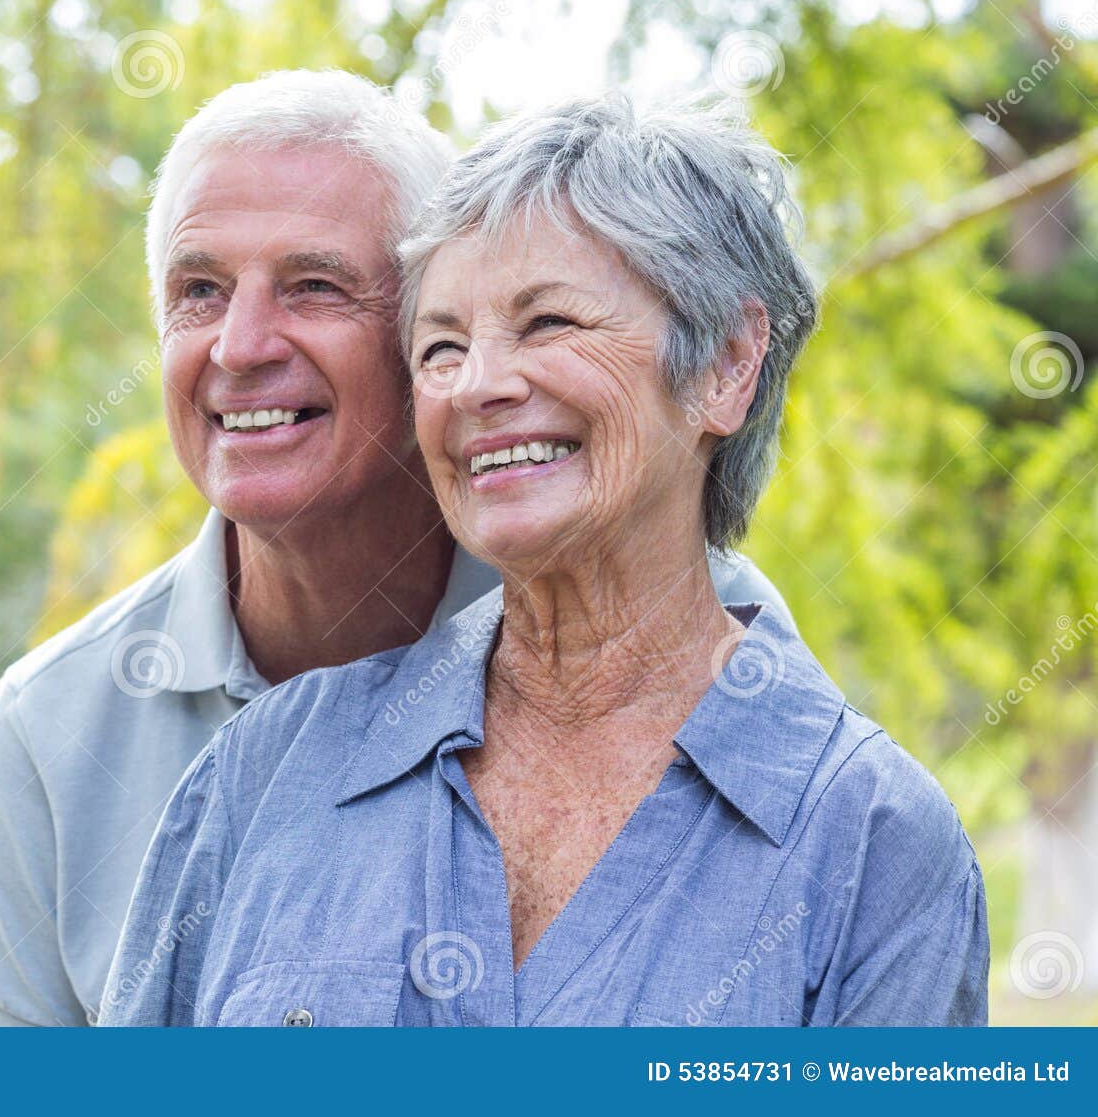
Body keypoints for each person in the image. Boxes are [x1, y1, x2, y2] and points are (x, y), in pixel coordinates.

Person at [98, 95, 988, 1027]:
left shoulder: (873, 842)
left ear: (726, 364)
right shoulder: (267, 770)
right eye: (441, 347)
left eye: (548, 322)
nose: (478, 384)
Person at [0, 73, 790, 1026]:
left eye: (314, 285)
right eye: (198, 292)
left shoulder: (703, 635)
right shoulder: (47, 733)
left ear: (428, 339)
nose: (239, 345)